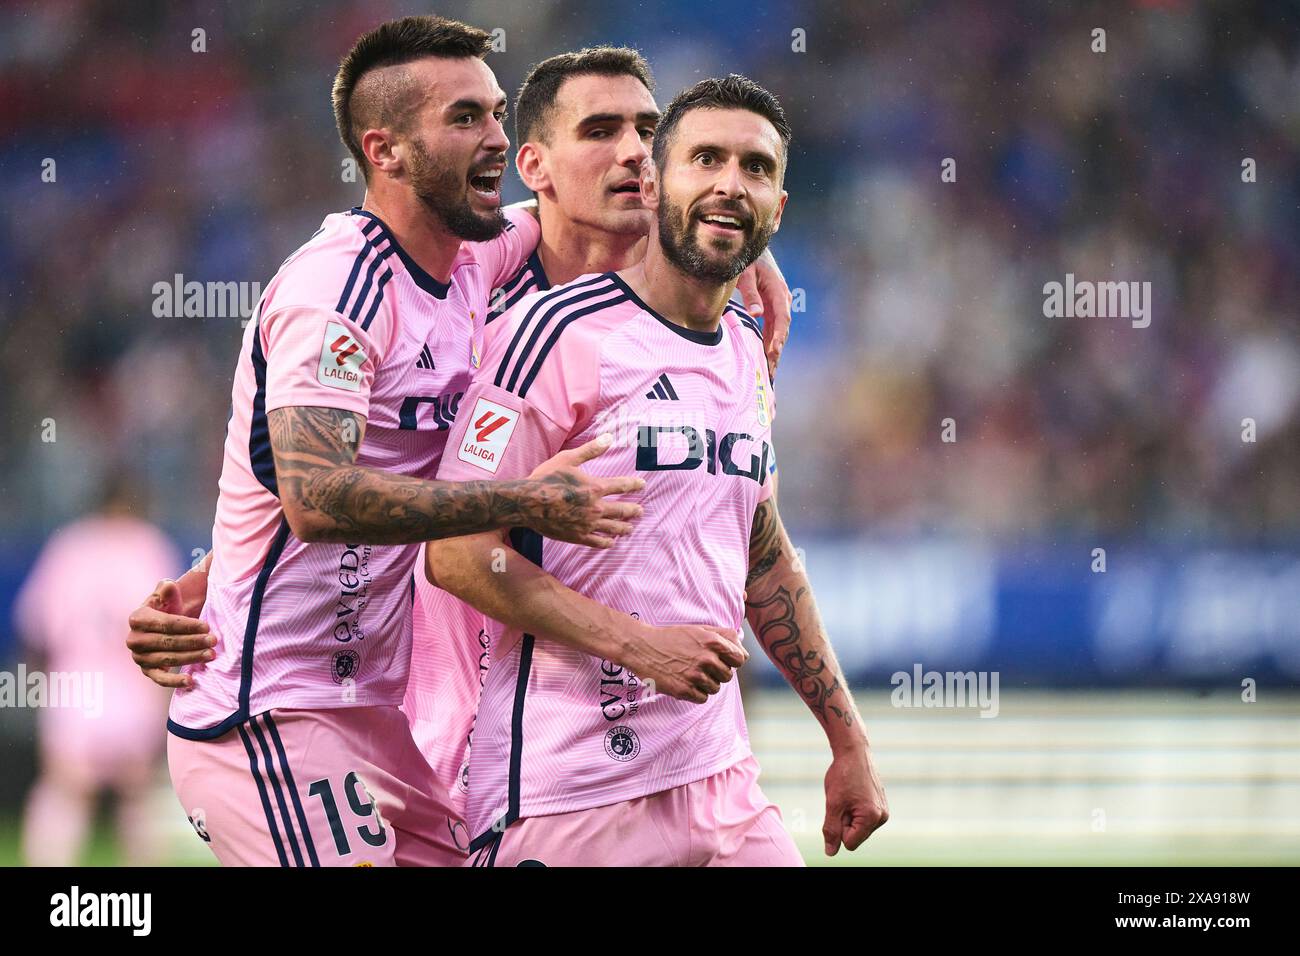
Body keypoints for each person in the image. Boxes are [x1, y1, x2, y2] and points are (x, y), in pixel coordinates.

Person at [128, 40, 792, 862]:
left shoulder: (474, 263)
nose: (491, 138)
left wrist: (747, 249)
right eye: (465, 117)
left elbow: (595, 213)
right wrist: (518, 501)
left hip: (375, 713)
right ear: (386, 150)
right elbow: (316, 496)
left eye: (495, 114)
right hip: (271, 705)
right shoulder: (338, 286)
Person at [428, 75, 889, 866]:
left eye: (755, 169)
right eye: (704, 158)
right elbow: (456, 549)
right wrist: (641, 647)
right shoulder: (550, 332)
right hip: (564, 791)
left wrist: (848, 741)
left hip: (721, 786)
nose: (729, 184)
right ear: (655, 184)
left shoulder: (748, 350)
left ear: (778, 210)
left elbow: (765, 555)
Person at [14, 474, 178, 865]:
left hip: (75, 686)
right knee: (137, 794)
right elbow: (169, 632)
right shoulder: (147, 544)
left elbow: (35, 629)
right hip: (133, 685)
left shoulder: (70, 545)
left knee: (65, 789)